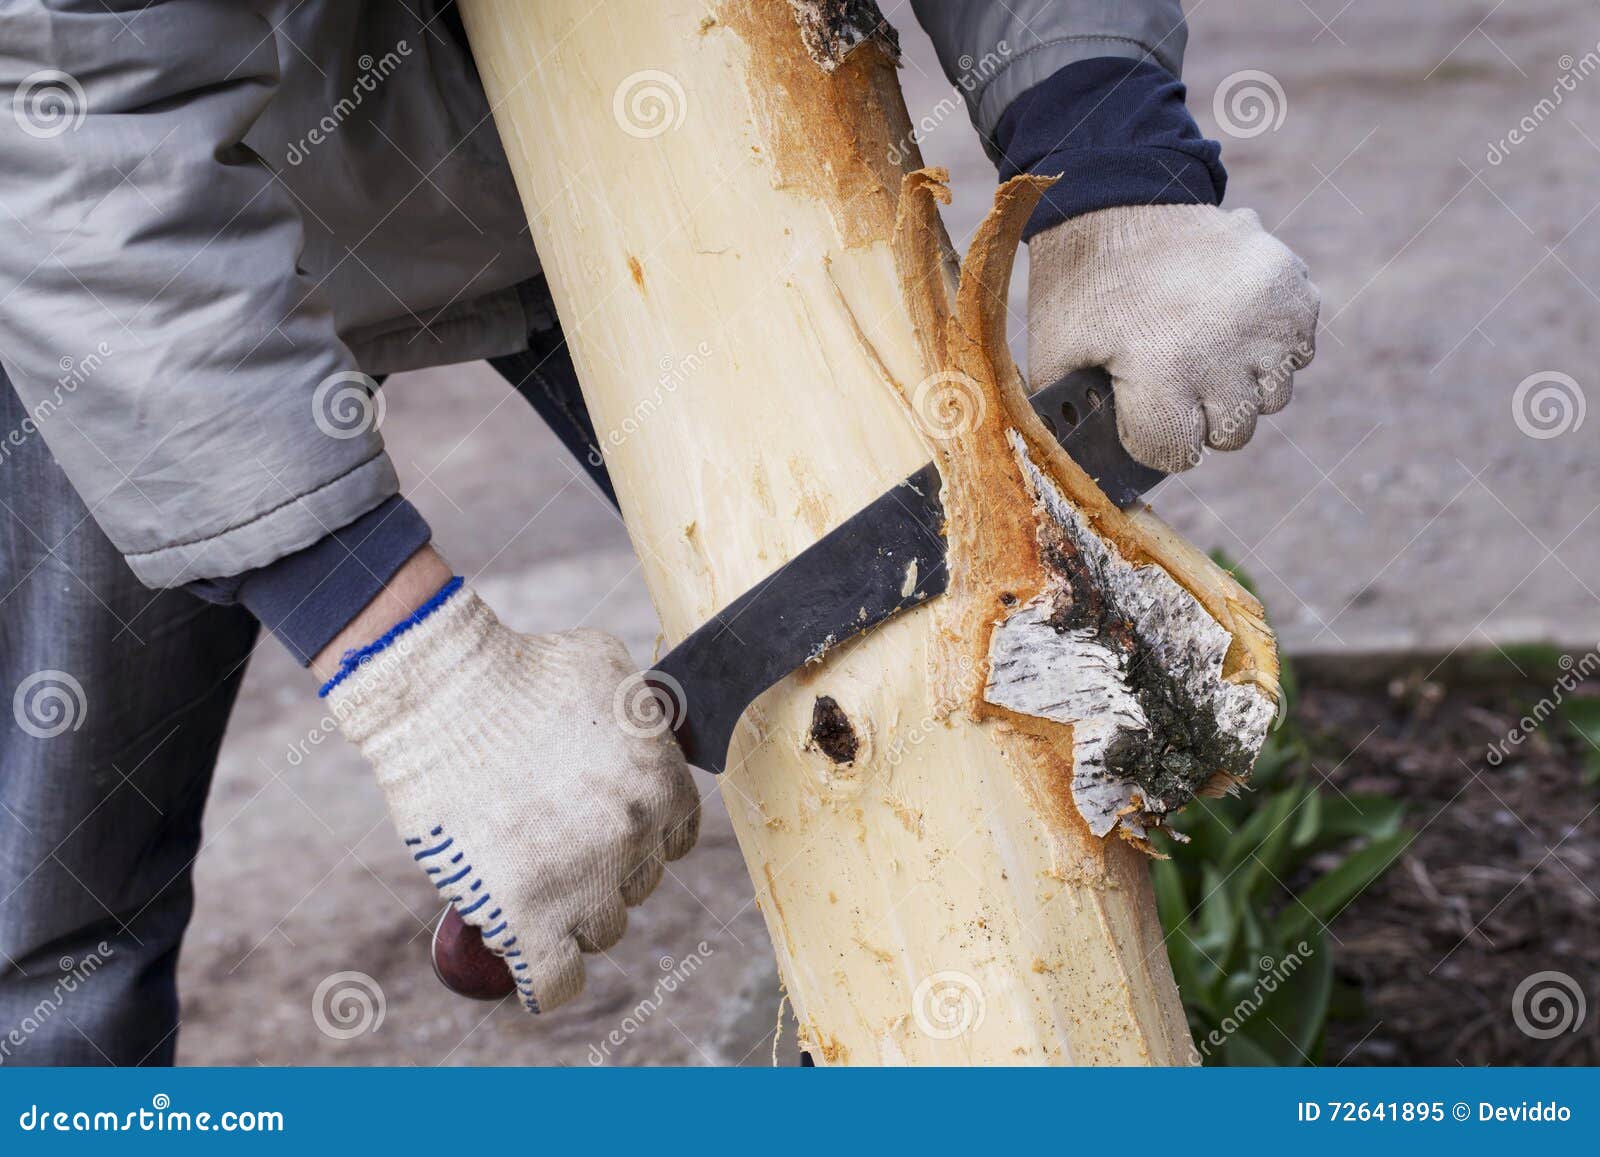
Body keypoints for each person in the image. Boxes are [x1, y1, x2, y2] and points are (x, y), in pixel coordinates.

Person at [0, 0, 1318, 1063]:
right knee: (57, 922)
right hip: (134, 277)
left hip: (676, 137)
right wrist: (403, 659)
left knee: (934, 712)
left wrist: (1116, 162)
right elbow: (79, 134)